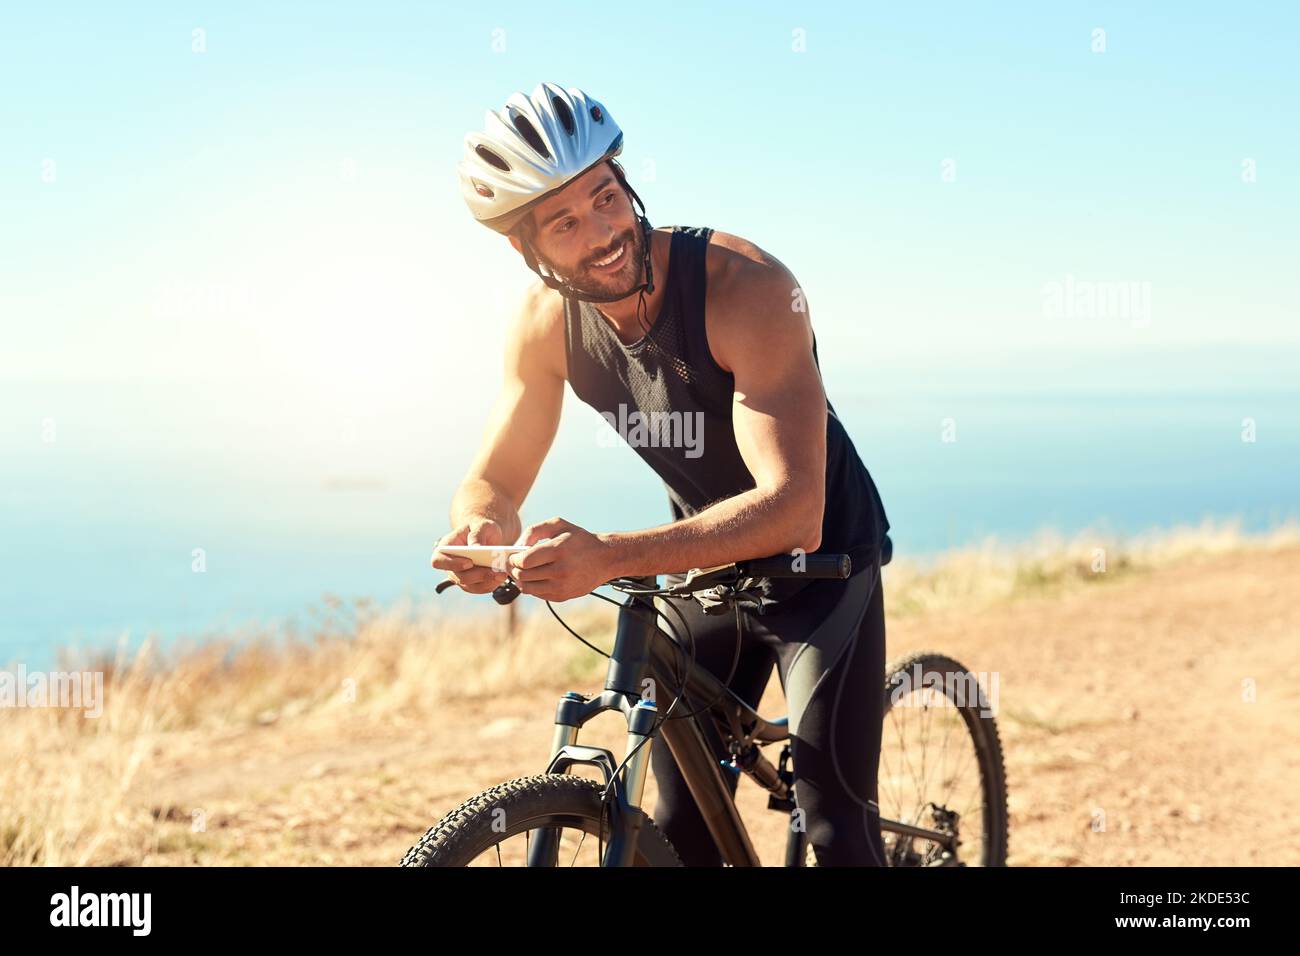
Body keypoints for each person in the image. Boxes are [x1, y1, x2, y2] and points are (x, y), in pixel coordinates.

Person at [434, 82, 893, 866]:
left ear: (626, 182)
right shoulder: (547, 326)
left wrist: (608, 555)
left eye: (606, 198)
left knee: (833, 826)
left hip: (822, 567)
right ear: (527, 248)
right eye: (566, 223)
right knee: (683, 830)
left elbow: (793, 509)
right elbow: (496, 475)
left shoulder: (746, 289)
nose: (603, 232)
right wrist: (483, 525)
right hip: (702, 572)